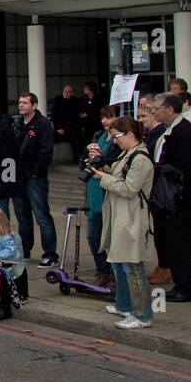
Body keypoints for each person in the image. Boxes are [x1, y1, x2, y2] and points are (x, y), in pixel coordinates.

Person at [93, 116, 156, 327]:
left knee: (132, 267)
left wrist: (103, 178)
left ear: (130, 134)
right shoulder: (127, 154)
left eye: (117, 136)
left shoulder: (141, 158)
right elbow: (119, 177)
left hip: (132, 219)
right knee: (119, 264)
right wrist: (101, 170)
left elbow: (129, 189)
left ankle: (142, 315)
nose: (114, 141)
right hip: (121, 217)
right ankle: (124, 305)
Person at [149, 92, 191, 302]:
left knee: (181, 242)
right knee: (173, 241)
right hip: (170, 195)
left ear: (170, 110)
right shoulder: (171, 129)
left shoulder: (182, 131)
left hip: (177, 197)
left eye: (157, 108)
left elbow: (185, 169)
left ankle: (187, 286)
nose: (154, 111)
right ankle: (182, 283)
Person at [12, 92, 58, 267]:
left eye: (25, 102)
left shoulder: (43, 124)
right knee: (23, 217)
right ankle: (24, 249)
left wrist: (35, 172)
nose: (21, 105)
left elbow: (46, 151)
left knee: (42, 215)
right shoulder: (17, 124)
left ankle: (50, 253)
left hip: (34, 177)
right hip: (18, 177)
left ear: (34, 105)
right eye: (19, 102)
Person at [83, 106, 119, 288]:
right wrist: (88, 156)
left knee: (108, 237)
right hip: (93, 191)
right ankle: (103, 269)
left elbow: (112, 164)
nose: (105, 121)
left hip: (107, 192)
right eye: (103, 117)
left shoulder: (119, 140)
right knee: (93, 236)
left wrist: (99, 158)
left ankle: (112, 272)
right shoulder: (98, 135)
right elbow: (85, 161)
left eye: (109, 117)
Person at [50, 84, 83, 161]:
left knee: (79, 136)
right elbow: (54, 115)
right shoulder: (58, 100)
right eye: (65, 91)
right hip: (61, 126)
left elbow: (77, 115)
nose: (66, 94)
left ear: (72, 93)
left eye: (69, 92)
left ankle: (78, 157)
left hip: (73, 125)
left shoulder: (75, 101)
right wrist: (58, 127)